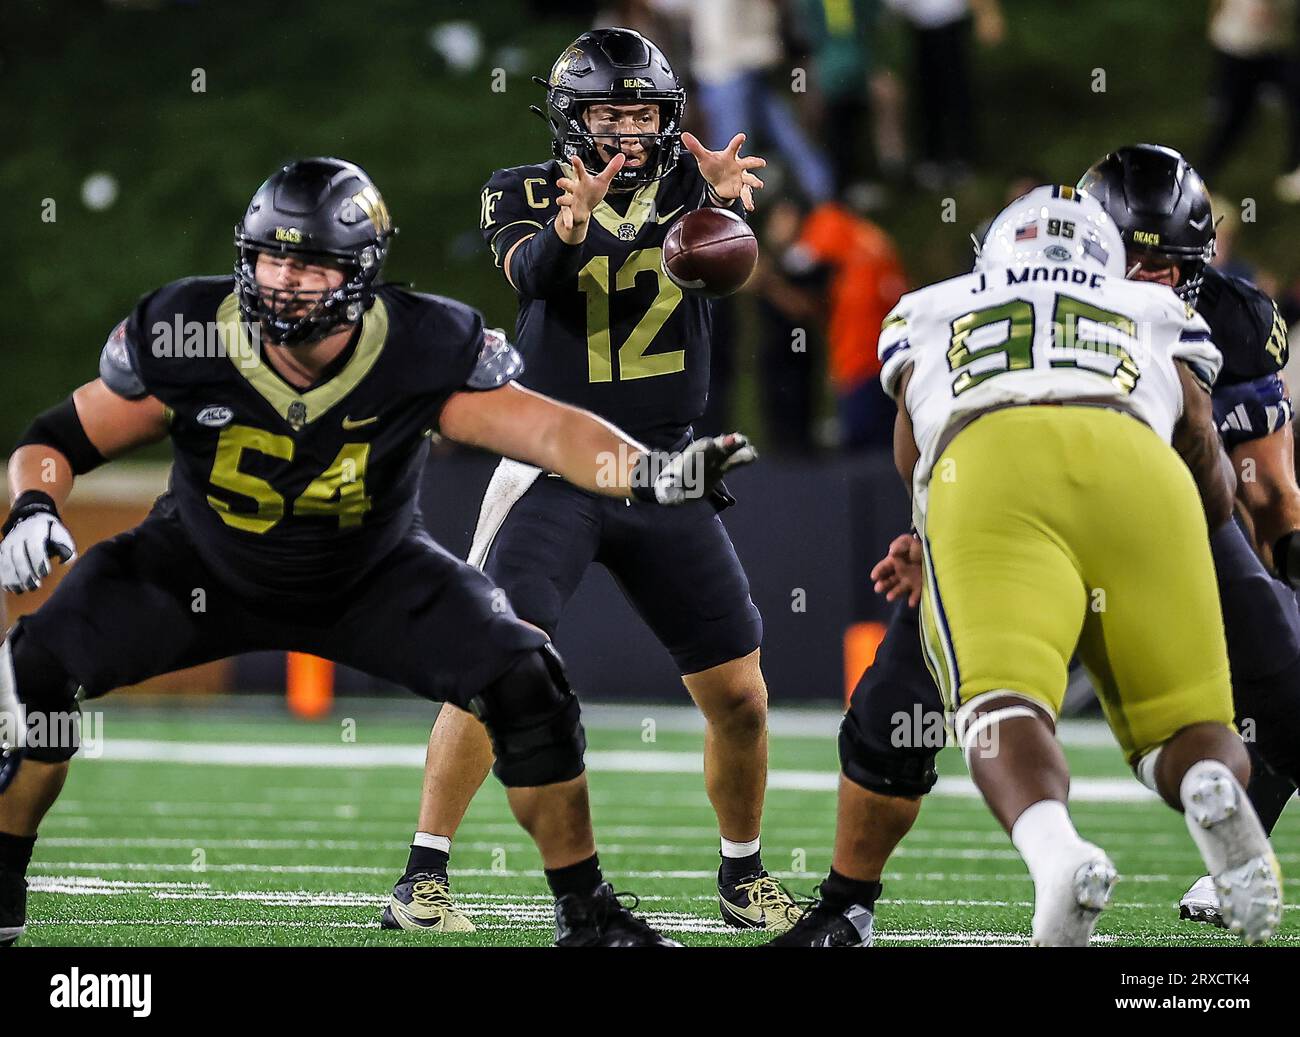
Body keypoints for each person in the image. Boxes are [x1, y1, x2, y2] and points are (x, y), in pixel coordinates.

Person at [0, 156, 756, 948]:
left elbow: (545, 429)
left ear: (359, 274)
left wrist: (644, 471)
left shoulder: (418, 340)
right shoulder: (191, 330)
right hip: (201, 564)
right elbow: (61, 436)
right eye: (271, 256)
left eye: (311, 265)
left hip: (368, 575)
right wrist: (32, 504)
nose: (285, 280)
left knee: (529, 685)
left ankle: (587, 912)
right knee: (35, 672)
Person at [776, 147, 1300, 943]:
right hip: (1159, 492)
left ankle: (1023, 859)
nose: (1157, 280)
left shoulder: (937, 306)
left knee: (1276, 680)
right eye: (1140, 260)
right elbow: (1216, 460)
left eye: (1173, 265)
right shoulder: (1167, 319)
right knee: (899, 704)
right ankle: (847, 899)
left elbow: (918, 446)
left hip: (1013, 495)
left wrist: (932, 531)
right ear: (1098, 246)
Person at [380, 28, 802, 936]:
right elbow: (530, 276)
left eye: (642, 111)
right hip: (554, 461)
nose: (628, 127)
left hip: (664, 467)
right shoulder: (524, 190)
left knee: (740, 693)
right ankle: (424, 874)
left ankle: (742, 874)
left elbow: (732, 265)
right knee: (499, 658)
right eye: (610, 111)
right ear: (573, 117)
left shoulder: (693, 181)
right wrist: (570, 228)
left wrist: (733, 220)